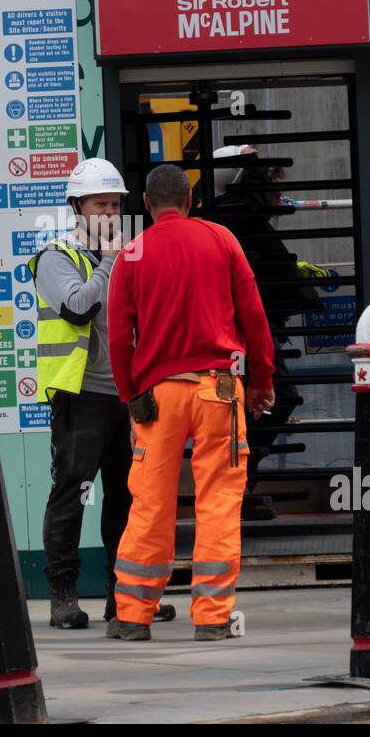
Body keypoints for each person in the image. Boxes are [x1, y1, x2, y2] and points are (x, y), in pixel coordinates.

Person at [105, 163, 275, 641]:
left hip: (158, 396)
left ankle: (134, 616)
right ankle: (212, 617)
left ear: (145, 201)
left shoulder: (132, 255)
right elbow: (254, 315)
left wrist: (129, 394)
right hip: (219, 389)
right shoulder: (222, 240)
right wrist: (261, 381)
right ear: (190, 199)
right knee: (218, 499)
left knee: (150, 501)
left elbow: (119, 336)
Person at [31, 157, 177, 628]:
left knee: (127, 496)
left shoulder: (131, 253)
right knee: (71, 492)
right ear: (78, 206)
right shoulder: (56, 257)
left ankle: (125, 598)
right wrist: (111, 262)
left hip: (128, 395)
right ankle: (64, 596)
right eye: (101, 204)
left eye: (116, 205)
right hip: (82, 397)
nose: (110, 213)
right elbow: (76, 308)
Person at [211, 145, 324, 520]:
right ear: (251, 185)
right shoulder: (246, 224)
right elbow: (281, 278)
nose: (281, 197)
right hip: (244, 341)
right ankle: (238, 487)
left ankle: (237, 488)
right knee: (268, 403)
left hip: (232, 339)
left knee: (240, 413)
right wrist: (304, 287)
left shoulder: (226, 222)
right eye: (274, 188)